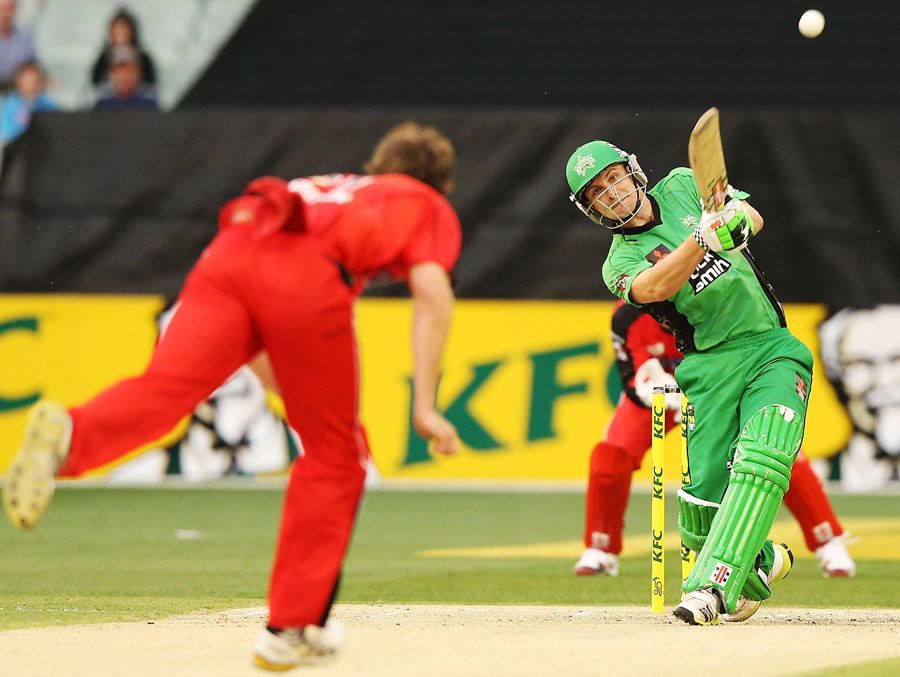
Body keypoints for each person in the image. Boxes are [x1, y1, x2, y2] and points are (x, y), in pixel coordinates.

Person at [2, 122, 462, 670]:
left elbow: (260, 336)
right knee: (337, 457)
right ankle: (290, 626)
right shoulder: (425, 203)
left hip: (232, 251)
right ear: (438, 181)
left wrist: (303, 394)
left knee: (165, 392)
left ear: (377, 165)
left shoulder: (327, 186)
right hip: (306, 274)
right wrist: (426, 405)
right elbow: (433, 295)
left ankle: (71, 437)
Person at [566, 138, 814, 625]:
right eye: (597, 192)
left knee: (764, 453)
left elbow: (751, 218)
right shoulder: (617, 262)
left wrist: (731, 222)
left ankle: (709, 591)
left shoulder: (682, 182)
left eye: (614, 178)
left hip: (769, 345)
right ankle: (762, 562)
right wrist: (701, 239)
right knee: (701, 504)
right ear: (591, 209)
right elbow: (655, 287)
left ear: (632, 172)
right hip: (707, 366)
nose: (612, 194)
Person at [574, 300, 856, 580]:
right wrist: (653, 387)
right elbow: (632, 378)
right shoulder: (627, 315)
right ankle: (601, 548)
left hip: (716, 391)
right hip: (660, 397)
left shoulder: (712, 300)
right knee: (610, 457)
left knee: (772, 450)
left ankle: (828, 541)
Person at [90, 8, 156, 92]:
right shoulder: (103, 58)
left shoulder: (144, 58)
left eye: (125, 30)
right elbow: (94, 83)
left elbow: (152, 84)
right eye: (118, 30)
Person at [0, 60, 57, 144]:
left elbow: (57, 126)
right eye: (28, 82)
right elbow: (7, 133)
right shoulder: (10, 104)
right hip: (18, 148)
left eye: (35, 81)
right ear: (19, 82)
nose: (31, 86)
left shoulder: (47, 104)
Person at [93, 45, 158, 111]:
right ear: (110, 75)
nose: (125, 76)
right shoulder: (102, 105)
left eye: (129, 71)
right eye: (119, 72)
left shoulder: (149, 104)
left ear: (139, 74)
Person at [0, 0, 35, 92]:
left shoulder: (25, 36)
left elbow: (31, 65)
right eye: (3, 8)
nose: (6, 13)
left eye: (10, 9)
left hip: (18, 90)